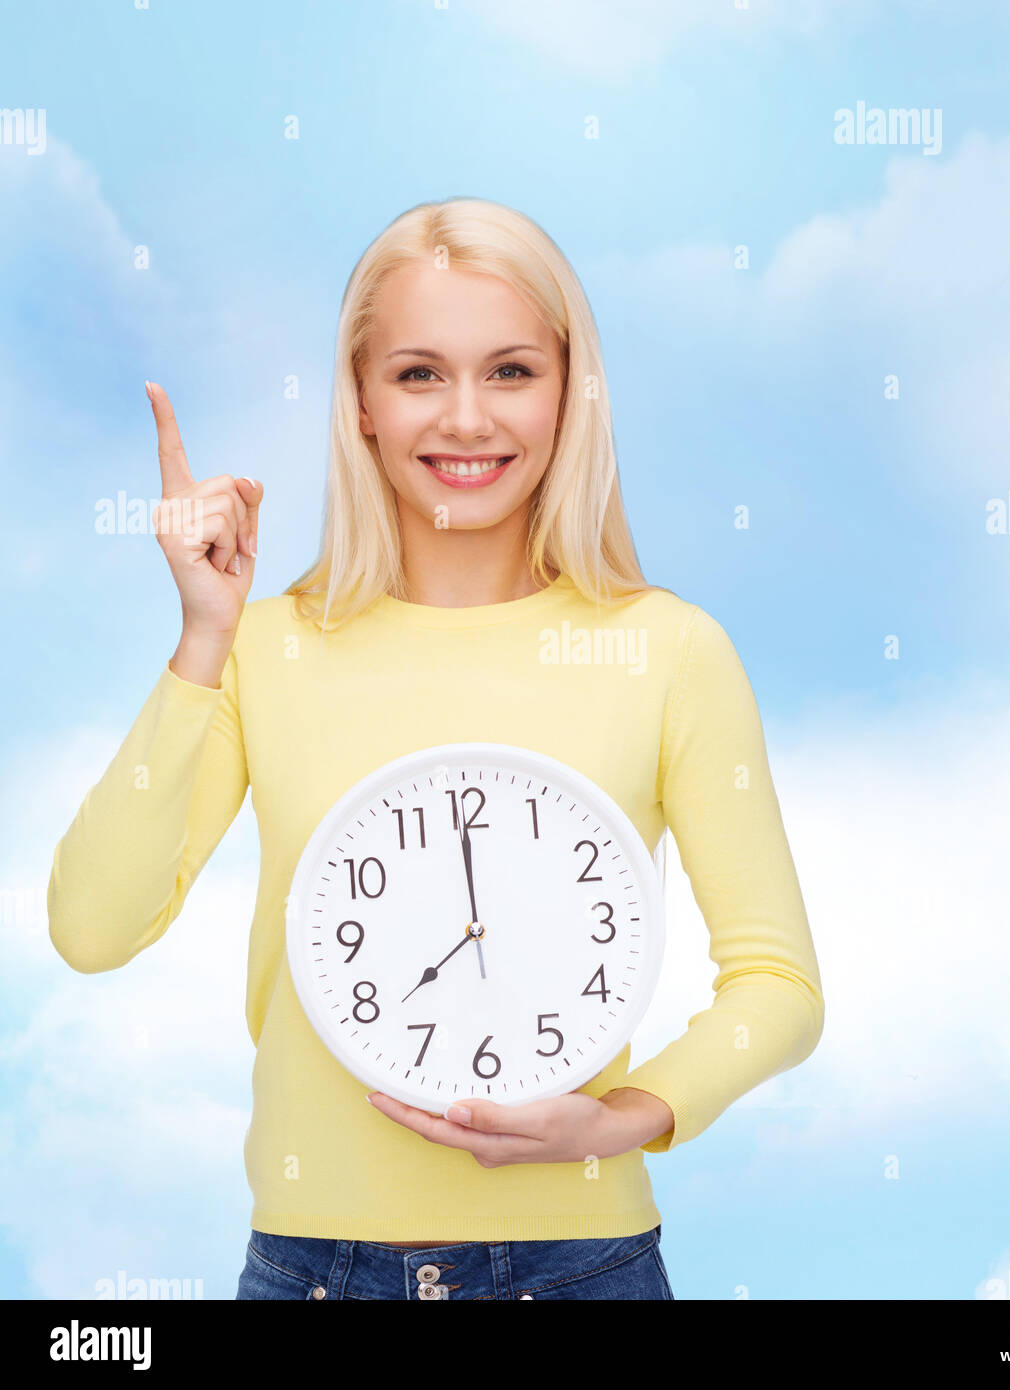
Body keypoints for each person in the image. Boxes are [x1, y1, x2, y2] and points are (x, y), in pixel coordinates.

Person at [46, 197, 825, 1301]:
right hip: (313, 1267)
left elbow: (780, 983)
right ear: (361, 401)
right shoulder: (263, 650)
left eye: (510, 371)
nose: (466, 418)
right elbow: (89, 927)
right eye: (418, 374)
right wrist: (203, 639)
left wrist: (619, 1120)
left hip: (582, 1263)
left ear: (570, 391)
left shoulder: (669, 650)